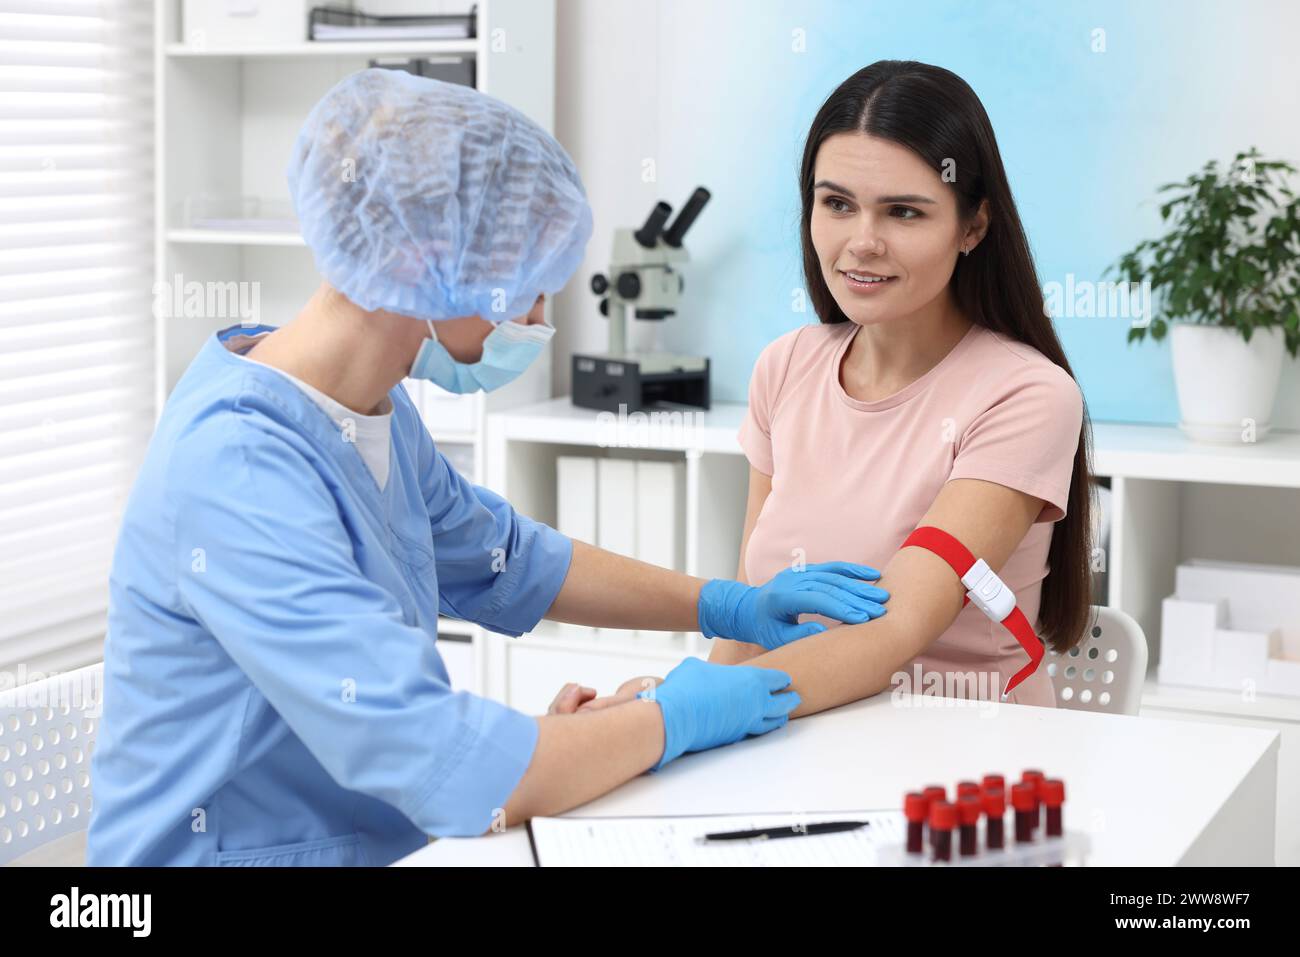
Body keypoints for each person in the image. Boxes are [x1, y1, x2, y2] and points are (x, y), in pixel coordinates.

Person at [85, 69, 889, 867]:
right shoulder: (239, 470)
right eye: (532, 289)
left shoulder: (370, 407)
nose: (538, 320)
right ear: (433, 260)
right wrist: (668, 720)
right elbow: (443, 763)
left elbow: (509, 559)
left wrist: (724, 606)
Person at [579, 61, 1093, 717]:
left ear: (973, 226)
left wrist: (675, 708)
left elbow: (894, 628)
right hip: (790, 727)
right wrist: (668, 717)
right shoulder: (786, 367)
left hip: (961, 759)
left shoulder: (1027, 396)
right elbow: (749, 616)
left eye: (904, 211)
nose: (862, 242)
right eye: (837, 204)